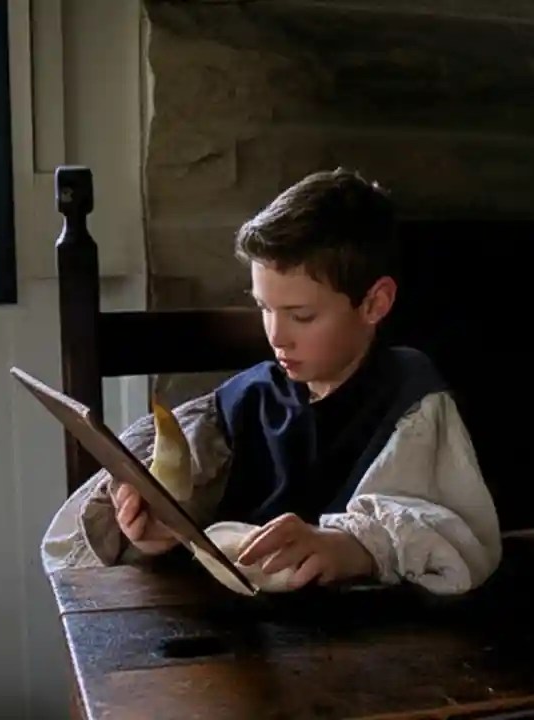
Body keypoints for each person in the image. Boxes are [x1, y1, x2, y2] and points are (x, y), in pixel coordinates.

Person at [40, 168, 502, 595]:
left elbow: (455, 538)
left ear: (374, 303)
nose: (277, 337)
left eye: (302, 315)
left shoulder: (409, 397)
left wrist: (353, 549)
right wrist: (163, 531)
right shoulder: (247, 401)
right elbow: (72, 546)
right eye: (264, 308)